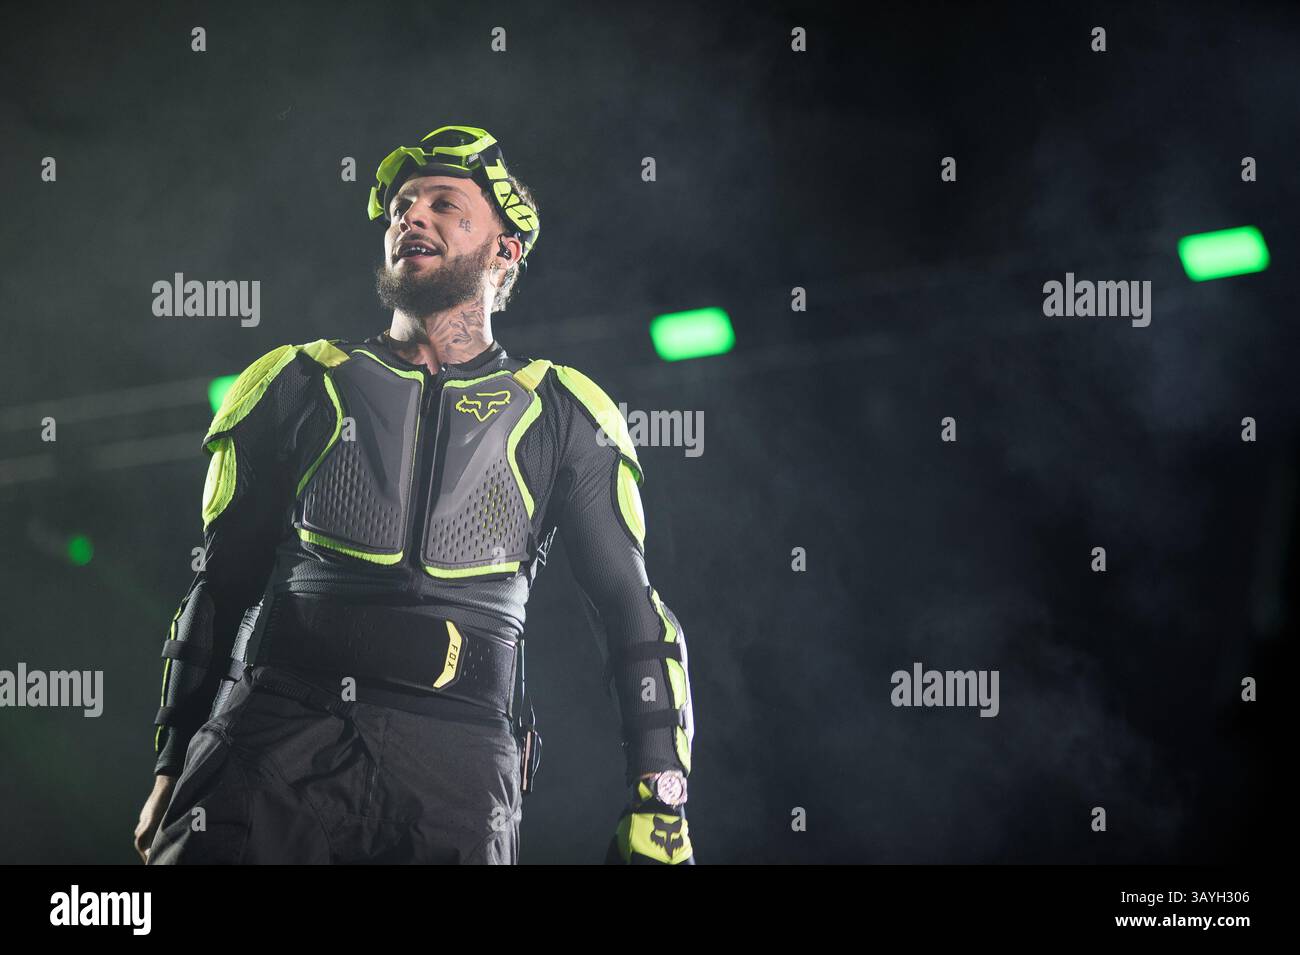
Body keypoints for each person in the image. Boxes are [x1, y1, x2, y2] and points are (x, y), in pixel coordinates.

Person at [132, 125, 695, 864]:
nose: (412, 216)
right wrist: (172, 760)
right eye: (402, 204)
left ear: (505, 250)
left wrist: (660, 796)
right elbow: (219, 585)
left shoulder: (564, 411)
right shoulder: (295, 381)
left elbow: (632, 610)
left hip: (457, 772)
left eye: (444, 203)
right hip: (270, 742)